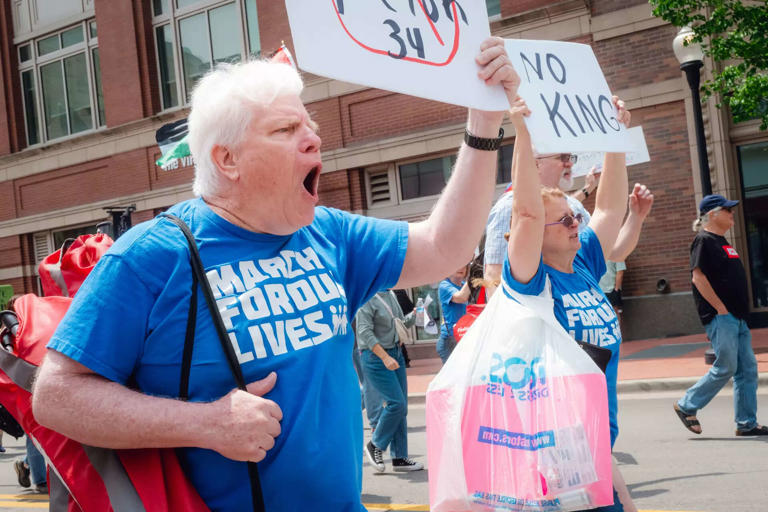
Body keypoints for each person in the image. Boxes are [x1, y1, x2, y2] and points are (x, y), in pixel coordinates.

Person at [31, 38, 521, 511]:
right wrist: (206, 423)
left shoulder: (330, 233)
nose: (314, 138)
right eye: (286, 131)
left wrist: (483, 124)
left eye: (310, 126)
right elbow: (56, 396)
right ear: (228, 159)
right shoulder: (151, 256)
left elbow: (443, 246)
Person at [503, 96, 640, 511]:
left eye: (574, 217)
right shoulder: (531, 280)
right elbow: (526, 213)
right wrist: (522, 135)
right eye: (563, 220)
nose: (575, 224)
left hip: (594, 443)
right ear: (534, 234)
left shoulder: (582, 261)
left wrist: (615, 137)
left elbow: (611, 207)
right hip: (551, 455)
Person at [673, 195, 768, 437]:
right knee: (726, 366)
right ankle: (687, 405)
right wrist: (720, 309)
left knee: (747, 369)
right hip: (722, 317)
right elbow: (698, 277)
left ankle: (746, 423)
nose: (732, 214)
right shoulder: (704, 240)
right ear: (712, 214)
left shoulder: (723, 242)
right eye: (727, 210)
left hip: (737, 317)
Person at [356, 291, 421, 472]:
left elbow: (398, 323)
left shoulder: (391, 294)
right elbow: (364, 333)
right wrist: (385, 357)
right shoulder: (367, 298)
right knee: (396, 404)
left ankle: (400, 457)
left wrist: (414, 316)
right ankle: (375, 444)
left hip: (396, 353)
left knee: (402, 407)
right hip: (376, 357)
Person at [437, 265, 470, 363]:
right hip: (450, 340)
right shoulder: (444, 285)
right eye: (458, 265)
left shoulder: (464, 285)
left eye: (464, 266)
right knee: (454, 377)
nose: (461, 268)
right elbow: (461, 297)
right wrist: (473, 277)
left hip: (462, 336)